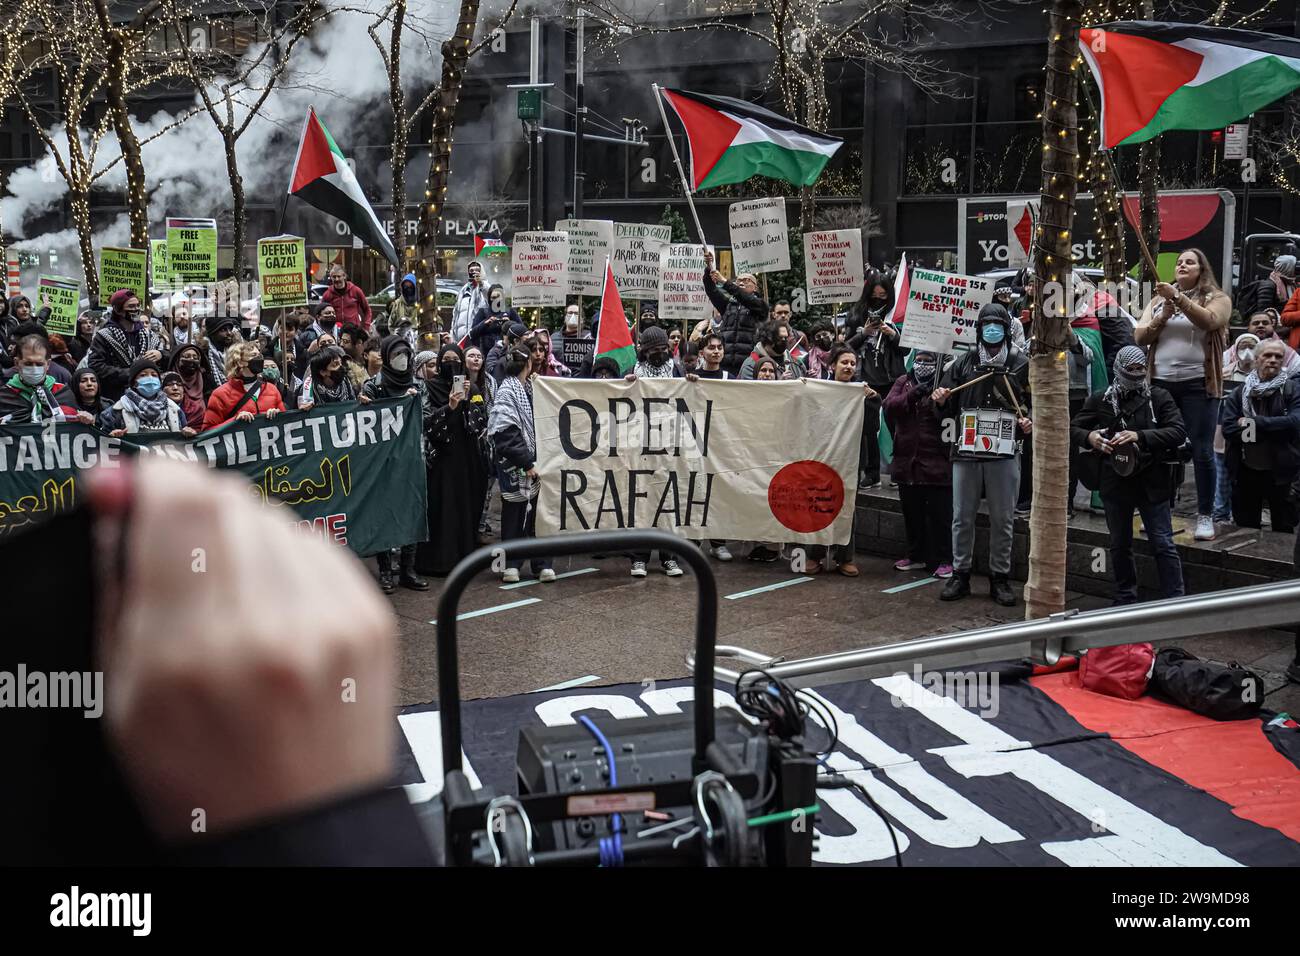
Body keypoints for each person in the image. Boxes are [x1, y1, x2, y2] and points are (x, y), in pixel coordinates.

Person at [931, 302, 1032, 606]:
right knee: (962, 516)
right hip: (966, 451)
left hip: (1004, 453)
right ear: (978, 329)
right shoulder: (962, 364)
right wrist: (938, 399)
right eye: (986, 324)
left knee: (1003, 518)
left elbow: (1035, 404)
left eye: (997, 324)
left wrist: (1030, 422)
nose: (991, 329)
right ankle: (960, 573)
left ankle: (999, 577)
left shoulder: (1021, 363)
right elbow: (945, 407)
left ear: (1006, 329)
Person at [1072, 346, 1187, 605]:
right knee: (1119, 543)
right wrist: (1091, 437)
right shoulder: (1102, 399)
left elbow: (1178, 431)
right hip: (1115, 480)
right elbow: (1075, 427)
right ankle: (1125, 596)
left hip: (1152, 481)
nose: (1136, 374)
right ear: (1119, 368)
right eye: (1130, 369)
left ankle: (1175, 599)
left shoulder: (1159, 397)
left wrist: (1141, 436)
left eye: (1140, 369)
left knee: (1162, 542)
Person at [1135, 247, 1231, 541]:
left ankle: (1205, 515)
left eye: (1190, 262)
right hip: (1161, 384)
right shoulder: (1158, 300)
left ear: (1202, 269)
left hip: (1198, 385)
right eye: (1179, 262)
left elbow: (1210, 321)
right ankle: (1157, 511)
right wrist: (1162, 316)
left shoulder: (1218, 298)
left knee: (1202, 451)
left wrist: (1178, 299)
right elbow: (1140, 337)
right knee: (1158, 448)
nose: (1182, 265)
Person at [359, 336, 429, 592]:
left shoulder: (419, 386)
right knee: (383, 514)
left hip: (412, 459)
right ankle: (386, 572)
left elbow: (428, 418)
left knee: (411, 511)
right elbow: (365, 424)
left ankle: (408, 570)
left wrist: (415, 404)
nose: (402, 360)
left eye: (405, 355)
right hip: (384, 462)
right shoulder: (372, 387)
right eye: (396, 355)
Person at [806, 345, 877, 576]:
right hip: (822, 456)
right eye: (844, 362)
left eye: (852, 363)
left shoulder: (862, 394)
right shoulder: (818, 390)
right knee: (817, 505)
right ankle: (813, 555)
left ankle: (844, 557)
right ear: (832, 365)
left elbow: (871, 428)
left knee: (847, 508)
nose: (848, 367)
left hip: (850, 460)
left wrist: (871, 401)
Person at [883, 349, 954, 579]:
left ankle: (946, 559)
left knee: (940, 516)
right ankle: (915, 555)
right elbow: (889, 406)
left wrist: (942, 402)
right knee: (911, 514)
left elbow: (952, 416)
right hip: (907, 463)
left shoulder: (946, 383)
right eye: (920, 360)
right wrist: (914, 394)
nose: (923, 364)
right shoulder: (903, 382)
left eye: (928, 361)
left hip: (937, 463)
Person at [486, 343, 553, 583]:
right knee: (513, 516)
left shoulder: (533, 388)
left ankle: (541, 564)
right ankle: (509, 566)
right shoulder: (507, 392)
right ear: (527, 363)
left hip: (537, 461)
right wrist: (526, 463)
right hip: (516, 465)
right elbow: (505, 432)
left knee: (539, 517)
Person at [1222, 337, 1300, 533]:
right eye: (1267, 355)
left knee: (1283, 530)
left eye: (1278, 356)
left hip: (1281, 472)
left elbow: (1295, 422)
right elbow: (1229, 429)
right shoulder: (1240, 393)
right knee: (1245, 529)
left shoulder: (1292, 390)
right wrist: (1274, 428)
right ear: (1257, 359)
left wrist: (1254, 423)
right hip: (1246, 470)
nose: (1273, 360)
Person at [848, 281, 907, 488]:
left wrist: (891, 333)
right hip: (866, 380)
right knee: (869, 429)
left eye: (883, 296)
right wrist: (863, 332)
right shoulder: (857, 314)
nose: (878, 299)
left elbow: (906, 350)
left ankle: (899, 471)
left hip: (892, 380)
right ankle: (872, 473)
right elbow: (845, 347)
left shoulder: (897, 316)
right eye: (874, 295)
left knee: (896, 427)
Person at [88, 290, 166, 403]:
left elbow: (167, 360)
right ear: (118, 310)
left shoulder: (149, 335)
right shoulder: (104, 336)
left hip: (148, 397)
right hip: (116, 396)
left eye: (138, 305)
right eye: (131, 306)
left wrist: (161, 354)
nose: (136, 309)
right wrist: (131, 373)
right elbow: (96, 365)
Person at [703, 249, 768, 377]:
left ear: (755, 287)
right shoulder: (728, 305)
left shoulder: (760, 306)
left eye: (747, 280)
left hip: (749, 365)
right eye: (739, 281)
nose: (742, 283)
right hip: (725, 363)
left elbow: (743, 297)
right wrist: (709, 267)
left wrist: (725, 283)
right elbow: (711, 290)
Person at [0, 334, 91, 424]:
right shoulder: (4, 396)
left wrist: (86, 420)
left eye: (39, 364)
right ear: (16, 363)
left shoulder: (62, 393)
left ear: (48, 364)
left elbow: (74, 428)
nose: (34, 368)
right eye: (28, 363)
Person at [202, 342, 285, 431]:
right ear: (240, 362)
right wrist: (234, 421)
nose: (259, 359)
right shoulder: (220, 394)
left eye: (259, 355)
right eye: (254, 355)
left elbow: (286, 424)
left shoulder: (271, 389)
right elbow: (208, 430)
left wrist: (279, 416)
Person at [99, 357, 192, 436]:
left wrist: (188, 433)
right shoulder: (115, 412)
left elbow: (184, 441)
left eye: (154, 375)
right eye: (143, 375)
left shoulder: (175, 409)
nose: (150, 378)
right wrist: (111, 436)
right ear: (134, 383)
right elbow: (102, 443)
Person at [465, 344, 497, 541]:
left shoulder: (490, 382)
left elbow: (494, 407)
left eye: (479, 356)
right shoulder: (458, 379)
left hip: (486, 438)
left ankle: (481, 526)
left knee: (486, 486)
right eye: (471, 356)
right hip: (466, 437)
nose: (476, 359)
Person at [1243, 254, 1297, 328]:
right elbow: (1263, 311)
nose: (1295, 270)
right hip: (1269, 328)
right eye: (1293, 267)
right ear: (1287, 268)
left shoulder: (1290, 284)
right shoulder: (1268, 286)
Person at [471, 283, 519, 361]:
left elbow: (522, 331)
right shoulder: (483, 312)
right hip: (486, 354)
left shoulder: (510, 312)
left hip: (508, 354)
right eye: (493, 297)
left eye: (498, 297)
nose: (496, 300)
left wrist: (510, 324)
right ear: (489, 298)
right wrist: (485, 323)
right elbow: (472, 333)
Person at [299, 344, 358, 409]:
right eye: (335, 364)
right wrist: (304, 409)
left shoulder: (348, 381)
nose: (341, 367)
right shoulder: (309, 388)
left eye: (341, 362)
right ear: (323, 372)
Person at [1243, 309, 1300, 375]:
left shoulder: (1287, 352)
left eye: (1265, 323)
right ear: (1248, 327)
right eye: (1256, 323)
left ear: (1272, 326)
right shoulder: (1237, 349)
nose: (1260, 325)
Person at [321, 264, 372, 332]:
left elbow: (367, 310)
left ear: (344, 276)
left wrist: (366, 326)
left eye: (339, 276)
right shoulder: (327, 294)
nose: (336, 279)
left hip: (354, 330)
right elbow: (320, 312)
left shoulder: (356, 291)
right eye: (334, 277)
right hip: (335, 330)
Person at [452, 260, 489, 345]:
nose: (474, 272)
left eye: (477, 270)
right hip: (460, 339)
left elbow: (490, 296)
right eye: (471, 270)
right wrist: (453, 335)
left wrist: (481, 282)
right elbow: (456, 314)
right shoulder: (463, 290)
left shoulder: (485, 287)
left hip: (477, 337)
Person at [203, 314, 241, 389]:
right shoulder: (203, 355)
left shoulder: (237, 352)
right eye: (223, 330)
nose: (229, 333)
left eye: (230, 329)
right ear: (212, 333)